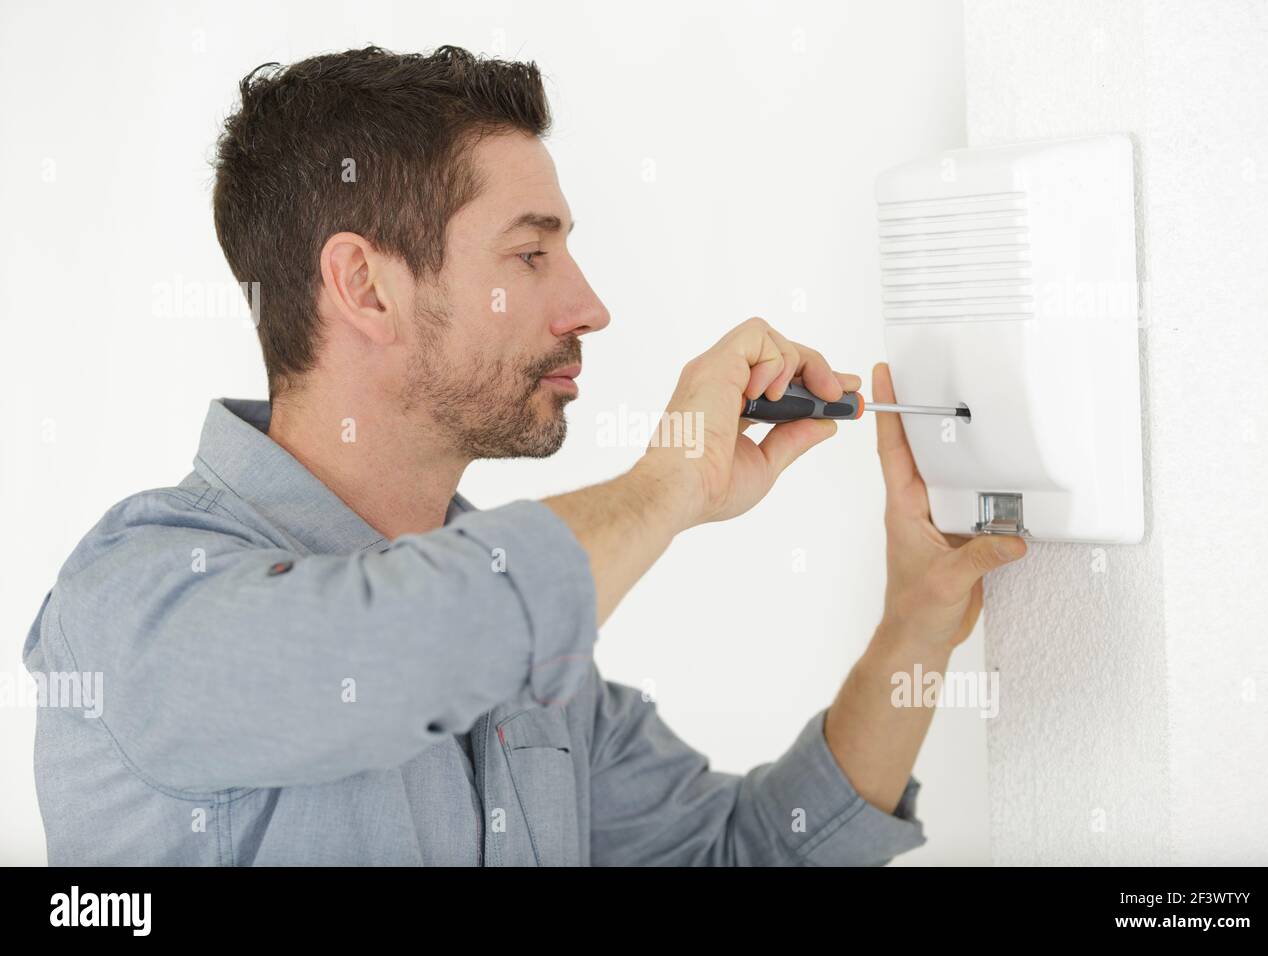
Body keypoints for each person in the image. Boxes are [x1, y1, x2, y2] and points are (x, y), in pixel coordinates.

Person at [23, 45, 1026, 866]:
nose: (588, 307)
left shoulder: (541, 674)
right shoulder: (137, 605)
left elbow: (748, 854)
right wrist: (668, 484)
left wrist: (916, 622)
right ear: (365, 287)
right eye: (530, 253)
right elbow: (403, 642)